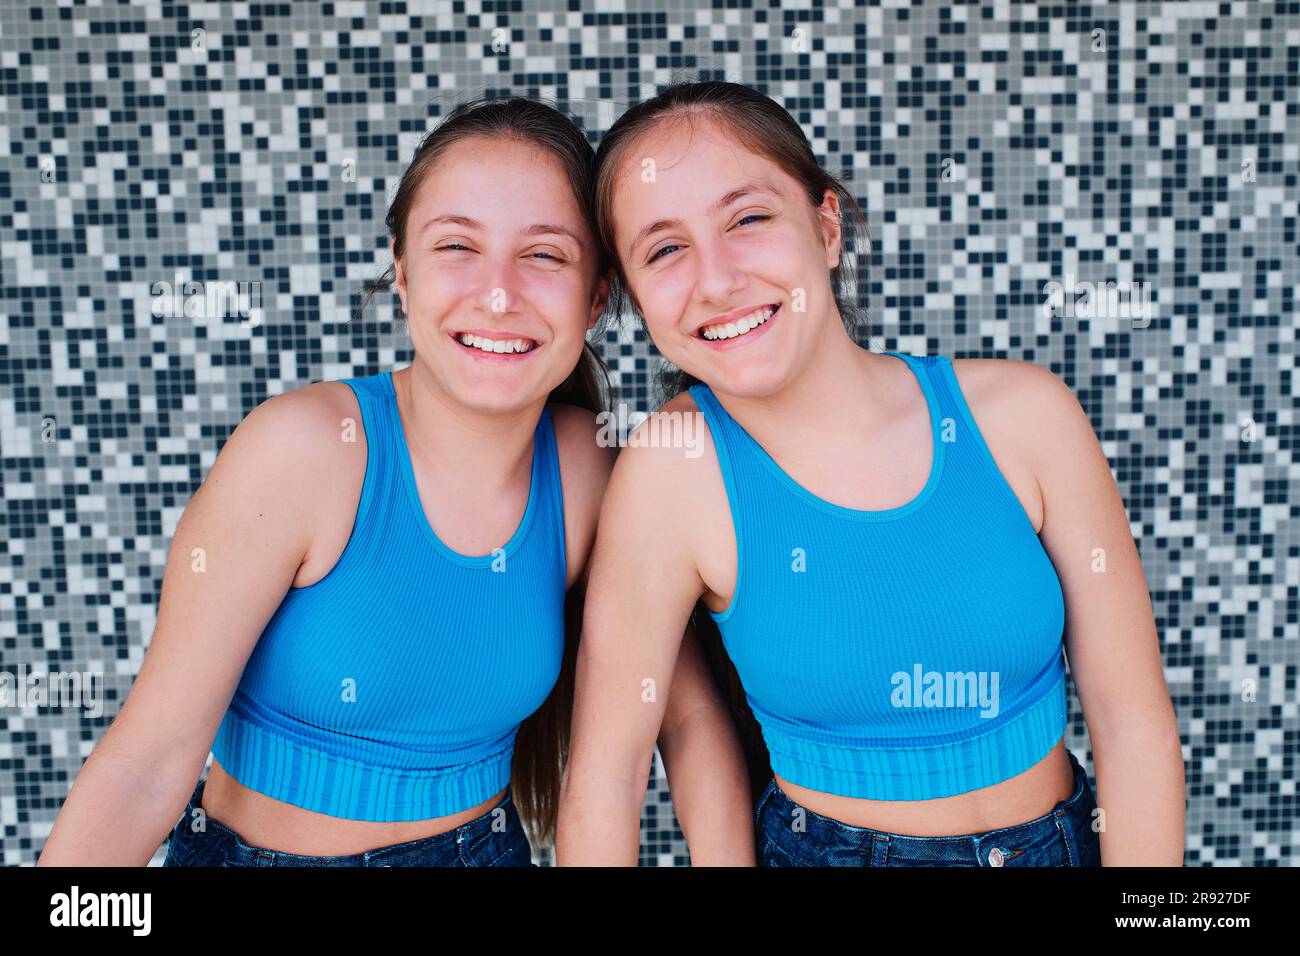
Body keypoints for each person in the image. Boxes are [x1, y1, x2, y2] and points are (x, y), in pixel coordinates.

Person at [38, 97, 751, 867]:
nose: (500, 293)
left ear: (597, 299)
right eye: (456, 247)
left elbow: (684, 717)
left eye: (545, 255)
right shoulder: (306, 451)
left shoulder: (594, 469)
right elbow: (144, 768)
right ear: (402, 272)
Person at [557, 81, 1185, 866]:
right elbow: (605, 780)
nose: (716, 280)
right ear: (632, 298)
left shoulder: (1025, 417)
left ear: (825, 227)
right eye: (665, 249)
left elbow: (1134, 726)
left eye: (748, 219)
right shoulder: (672, 472)